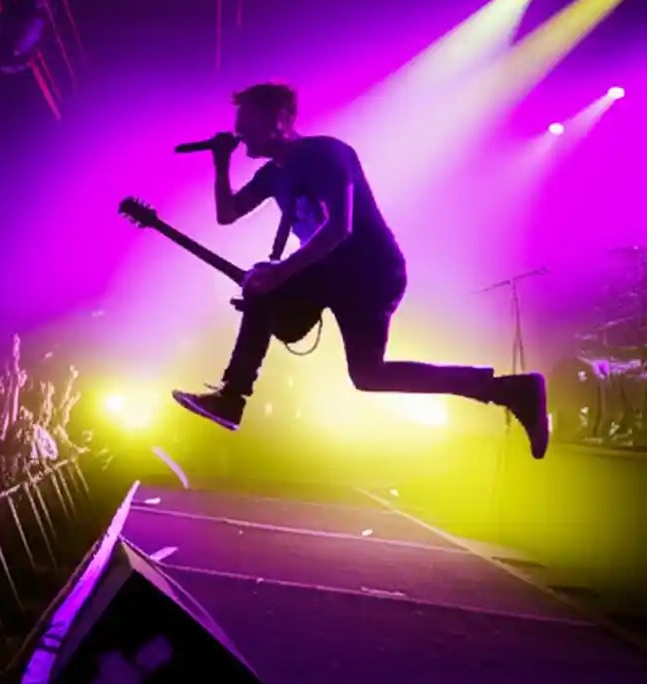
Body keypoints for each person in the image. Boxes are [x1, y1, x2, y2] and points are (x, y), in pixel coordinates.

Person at [172, 82, 550, 459]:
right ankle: (510, 391)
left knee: (350, 359)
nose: (239, 131)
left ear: (281, 120)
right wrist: (221, 164)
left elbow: (340, 228)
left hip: (370, 272)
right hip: (329, 273)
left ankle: (232, 397)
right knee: (356, 365)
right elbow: (227, 215)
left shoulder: (326, 153)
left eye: (247, 122)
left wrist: (280, 274)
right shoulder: (272, 175)